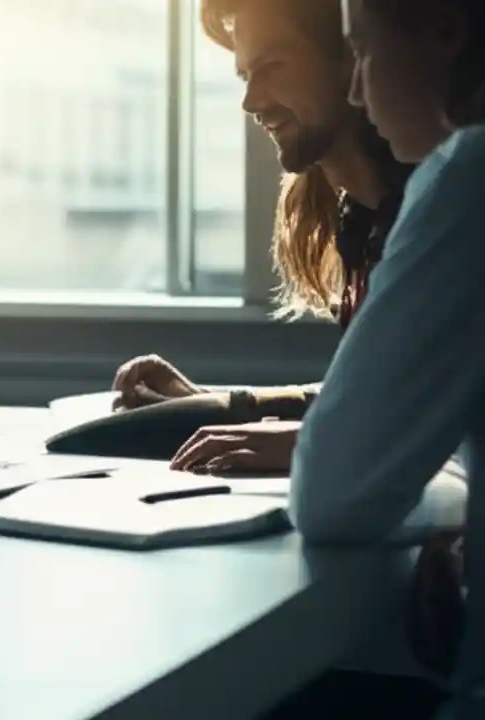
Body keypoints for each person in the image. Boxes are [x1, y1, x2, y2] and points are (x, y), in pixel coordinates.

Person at [112, 0, 412, 474]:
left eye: (273, 66)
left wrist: (313, 443)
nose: (251, 102)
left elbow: (439, 411)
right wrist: (223, 402)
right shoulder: (360, 219)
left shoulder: (434, 219)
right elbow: (374, 391)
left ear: (352, 60)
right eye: (245, 76)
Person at [292, 0, 485, 716]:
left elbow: (334, 496)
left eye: (362, 49)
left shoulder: (467, 176)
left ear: (446, 27)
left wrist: (433, 508)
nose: (353, 89)